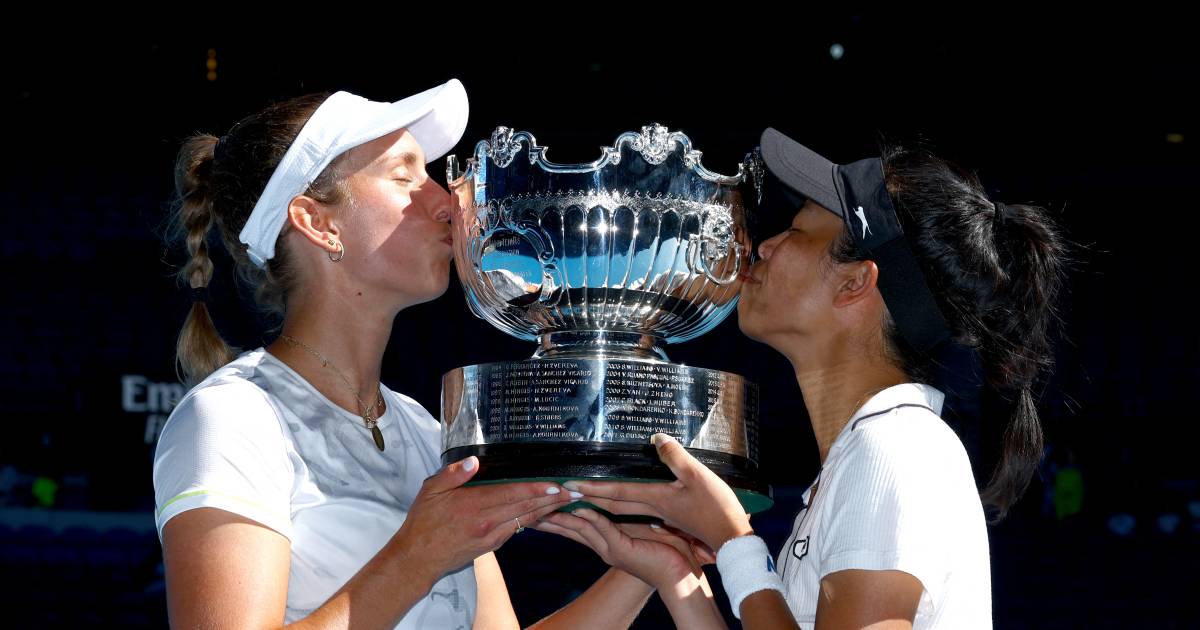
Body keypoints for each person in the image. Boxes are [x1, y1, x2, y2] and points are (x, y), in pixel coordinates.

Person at [154, 79, 715, 629]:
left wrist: (650, 566)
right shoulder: (234, 418)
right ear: (318, 222)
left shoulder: (424, 432)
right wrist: (418, 557)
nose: (447, 203)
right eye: (404, 177)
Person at [552, 127, 1067, 629]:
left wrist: (733, 539)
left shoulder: (897, 448)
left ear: (854, 282)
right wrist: (677, 577)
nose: (766, 245)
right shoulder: (871, 449)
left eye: (797, 230)